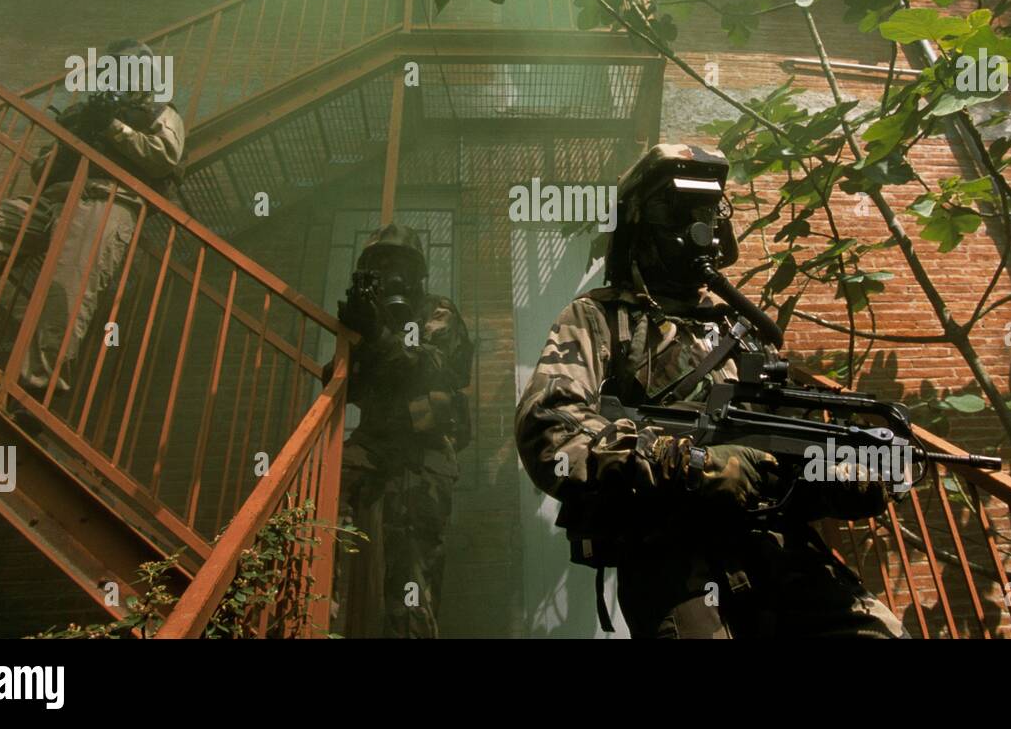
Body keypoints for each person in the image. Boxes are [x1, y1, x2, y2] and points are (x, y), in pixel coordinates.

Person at [515, 143, 907, 638]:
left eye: (707, 211)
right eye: (678, 212)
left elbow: (781, 443)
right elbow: (549, 432)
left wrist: (839, 476)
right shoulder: (600, 318)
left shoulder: (740, 328)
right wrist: (687, 465)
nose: (697, 230)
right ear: (640, 223)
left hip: (773, 547)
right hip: (672, 556)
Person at [0, 38, 185, 415]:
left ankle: (32, 393)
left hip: (107, 199)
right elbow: (40, 169)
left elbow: (165, 157)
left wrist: (112, 128)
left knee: (68, 291)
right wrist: (74, 137)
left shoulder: (160, 111)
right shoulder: (84, 110)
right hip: (55, 200)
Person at [335, 223, 472, 638]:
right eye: (381, 263)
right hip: (374, 443)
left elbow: (433, 365)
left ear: (417, 271)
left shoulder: (437, 310)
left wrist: (377, 334)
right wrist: (356, 335)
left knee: (411, 574)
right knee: (322, 504)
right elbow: (350, 386)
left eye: (399, 262)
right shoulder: (367, 316)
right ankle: (318, 612)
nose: (392, 272)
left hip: (422, 450)